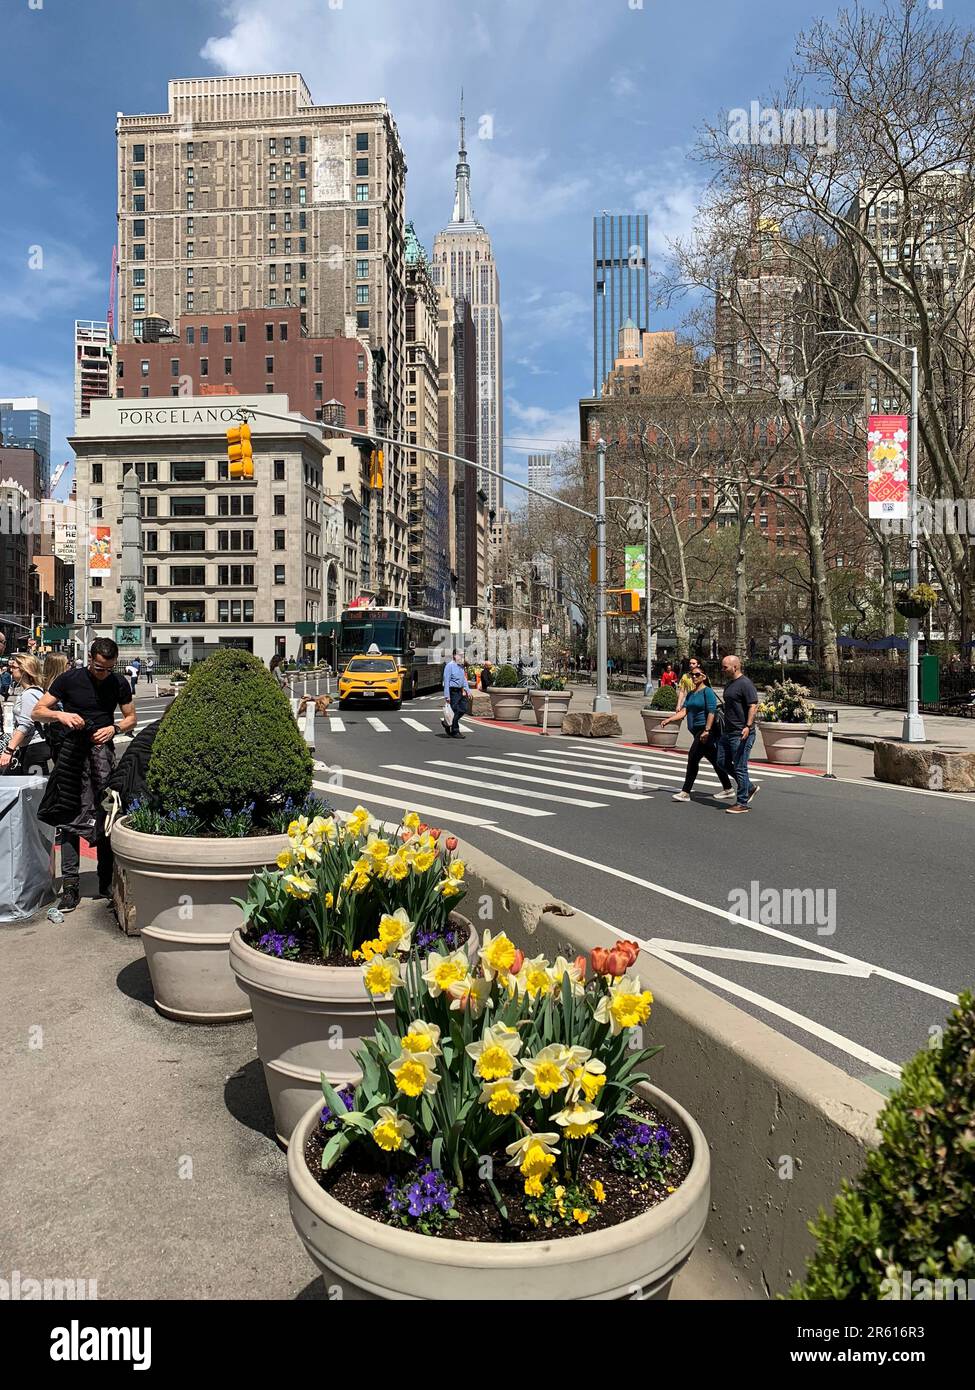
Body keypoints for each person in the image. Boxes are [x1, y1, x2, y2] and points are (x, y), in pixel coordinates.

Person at [33, 638, 136, 912]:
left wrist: (115, 728)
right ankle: (70, 886)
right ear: (90, 658)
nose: (104, 673)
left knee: (105, 815)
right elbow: (38, 711)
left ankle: (105, 882)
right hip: (71, 757)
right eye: (99, 667)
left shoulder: (118, 683)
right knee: (69, 817)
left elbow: (131, 718)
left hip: (103, 755)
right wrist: (62, 717)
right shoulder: (69, 679)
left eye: (109, 668)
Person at [657, 668, 736, 803]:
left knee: (693, 758)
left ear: (703, 676)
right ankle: (733, 787)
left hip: (705, 731)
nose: (694, 677)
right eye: (692, 674)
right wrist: (669, 719)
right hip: (697, 732)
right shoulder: (691, 694)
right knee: (718, 761)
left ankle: (685, 792)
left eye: (697, 674)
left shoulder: (708, 691)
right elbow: (684, 711)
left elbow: (711, 711)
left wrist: (706, 730)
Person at [718, 654, 760, 815]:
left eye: (725, 667)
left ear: (735, 667)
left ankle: (742, 802)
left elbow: (753, 706)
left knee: (740, 767)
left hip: (741, 732)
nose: (723, 670)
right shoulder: (730, 684)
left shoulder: (745, 684)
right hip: (727, 731)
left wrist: (748, 726)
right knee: (721, 761)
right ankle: (749, 787)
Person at [0, 654, 51, 775]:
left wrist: (9, 750)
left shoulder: (30, 694)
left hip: (34, 748)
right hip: (29, 747)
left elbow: (25, 724)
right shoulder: (31, 692)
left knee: (35, 789)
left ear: (24, 670)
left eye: (14, 666)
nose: (10, 669)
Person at [442, 648, 471, 739]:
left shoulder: (461, 666)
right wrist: (447, 695)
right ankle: (455, 730)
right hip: (453, 691)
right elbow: (446, 681)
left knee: (463, 708)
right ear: (455, 656)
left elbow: (464, 679)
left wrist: (468, 690)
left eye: (463, 655)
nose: (462, 657)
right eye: (460, 655)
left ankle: (447, 723)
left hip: (460, 691)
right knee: (455, 711)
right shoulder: (449, 666)